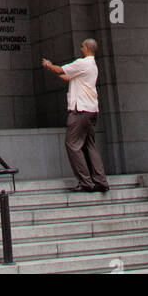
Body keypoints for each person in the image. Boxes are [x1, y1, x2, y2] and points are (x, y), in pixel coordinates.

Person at [42, 38, 109, 193]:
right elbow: (66, 76)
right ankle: (100, 181)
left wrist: (49, 65)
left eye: (82, 45)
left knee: (72, 145)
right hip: (91, 110)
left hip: (80, 110)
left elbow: (60, 70)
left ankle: (86, 182)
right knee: (89, 145)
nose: (80, 48)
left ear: (86, 48)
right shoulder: (92, 66)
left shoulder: (83, 63)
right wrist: (51, 68)